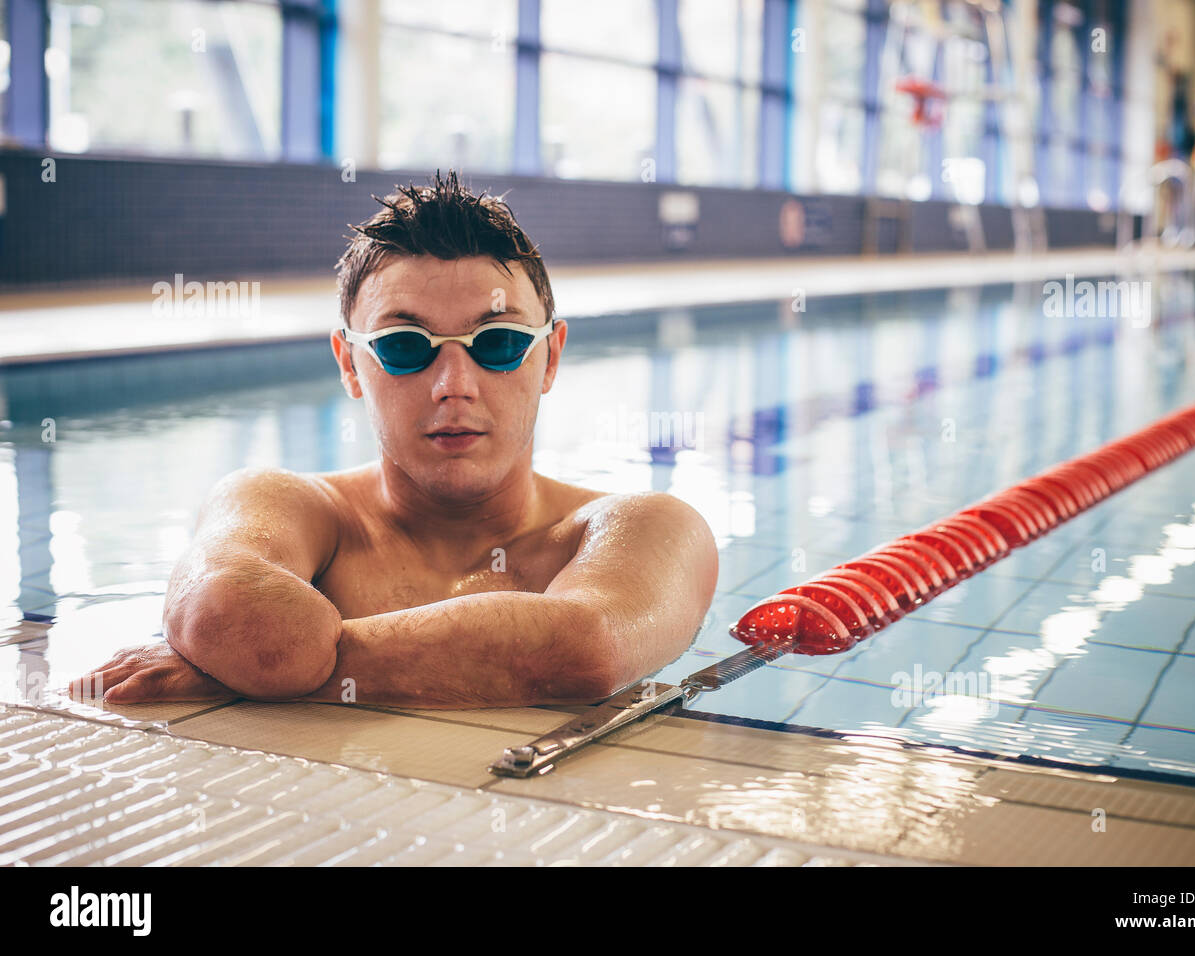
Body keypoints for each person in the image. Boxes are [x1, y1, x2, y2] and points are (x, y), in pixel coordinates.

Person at [71, 171, 718, 709]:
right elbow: (221, 610)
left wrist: (255, 672)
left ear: (550, 357)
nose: (453, 384)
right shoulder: (284, 503)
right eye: (405, 347)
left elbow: (585, 648)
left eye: (498, 343)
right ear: (350, 365)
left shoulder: (646, 526)